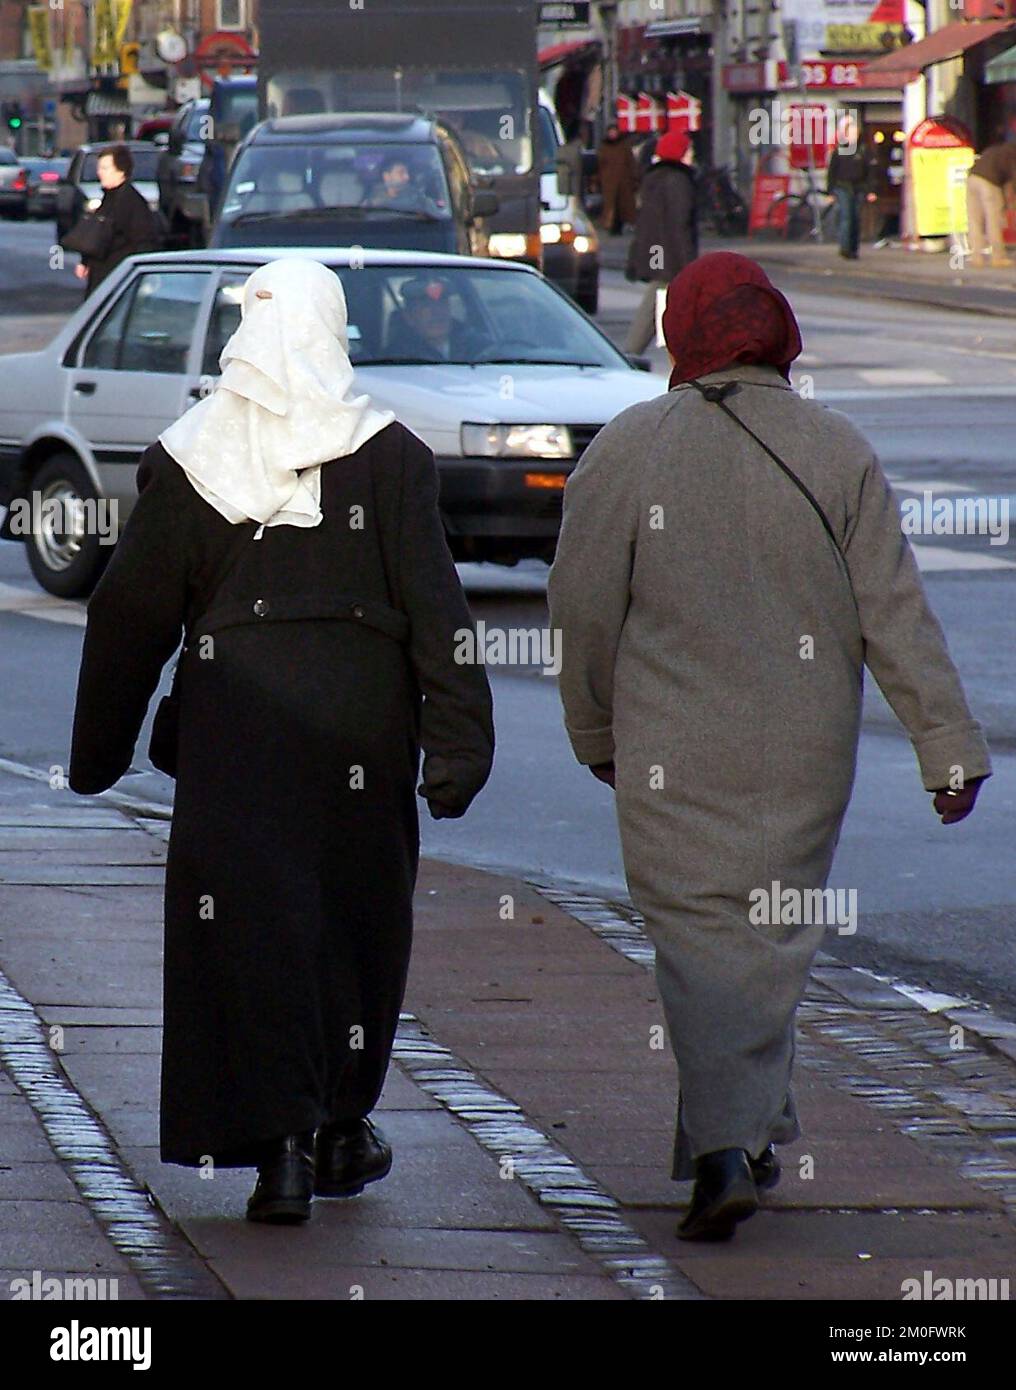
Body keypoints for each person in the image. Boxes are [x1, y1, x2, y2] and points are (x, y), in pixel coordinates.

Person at [547, 251, 990, 1243]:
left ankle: (717, 1158)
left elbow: (580, 609)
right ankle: (748, 1137)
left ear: (681, 335)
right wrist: (944, 747)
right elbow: (894, 613)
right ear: (781, 334)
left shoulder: (625, 448)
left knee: (700, 949)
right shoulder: (836, 449)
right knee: (764, 943)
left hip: (667, 748)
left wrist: (591, 727)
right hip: (803, 749)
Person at [68, 257, 495, 1225]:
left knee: (248, 932)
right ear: (331, 328)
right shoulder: (388, 453)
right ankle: (339, 1121)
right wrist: (458, 744)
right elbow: (438, 610)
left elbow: (127, 615)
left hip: (237, 734)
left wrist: (98, 753)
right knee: (353, 930)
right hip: (362, 728)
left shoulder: (188, 455)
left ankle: (280, 1153)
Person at [623, 128, 697, 355]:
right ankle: (630, 358)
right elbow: (680, 225)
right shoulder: (678, 181)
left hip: (658, 257)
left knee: (664, 313)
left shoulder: (653, 178)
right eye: (689, 149)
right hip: (672, 261)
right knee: (663, 314)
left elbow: (644, 224)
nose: (692, 154)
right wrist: (690, 268)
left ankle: (634, 357)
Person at [64, 144, 162, 297]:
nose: (99, 173)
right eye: (99, 168)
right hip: (101, 276)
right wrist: (85, 261)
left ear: (121, 170)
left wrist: (138, 275)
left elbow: (144, 240)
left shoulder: (130, 201)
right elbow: (96, 234)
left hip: (118, 279)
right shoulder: (108, 198)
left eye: (105, 168)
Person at [385, 274, 489, 361]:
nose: (437, 312)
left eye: (441, 304)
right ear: (408, 317)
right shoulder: (395, 358)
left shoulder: (480, 347)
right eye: (426, 306)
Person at [826, 118, 877, 260]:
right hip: (843, 187)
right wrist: (830, 192)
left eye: (856, 133)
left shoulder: (864, 150)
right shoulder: (840, 150)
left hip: (859, 188)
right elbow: (832, 172)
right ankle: (845, 248)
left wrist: (871, 191)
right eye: (851, 133)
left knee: (856, 219)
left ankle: (854, 248)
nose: (854, 136)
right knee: (846, 217)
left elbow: (870, 172)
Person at [964, 140, 1016, 269]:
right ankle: (998, 257)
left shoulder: (993, 150)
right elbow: (1013, 179)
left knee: (974, 221)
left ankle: (976, 257)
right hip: (989, 183)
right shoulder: (1011, 155)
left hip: (971, 180)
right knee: (993, 220)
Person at [595, 122, 638, 234]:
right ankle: (612, 226)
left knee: (623, 206)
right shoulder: (604, 147)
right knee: (611, 206)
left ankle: (624, 225)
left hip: (624, 181)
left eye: (614, 131)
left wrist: (634, 178)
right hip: (609, 182)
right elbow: (600, 165)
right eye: (611, 132)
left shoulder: (624, 146)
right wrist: (597, 180)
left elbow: (631, 162)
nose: (613, 134)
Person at [365, 152, 440, 215]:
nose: (407, 177)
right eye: (401, 173)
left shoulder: (421, 202)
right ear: (386, 176)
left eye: (407, 173)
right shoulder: (370, 204)